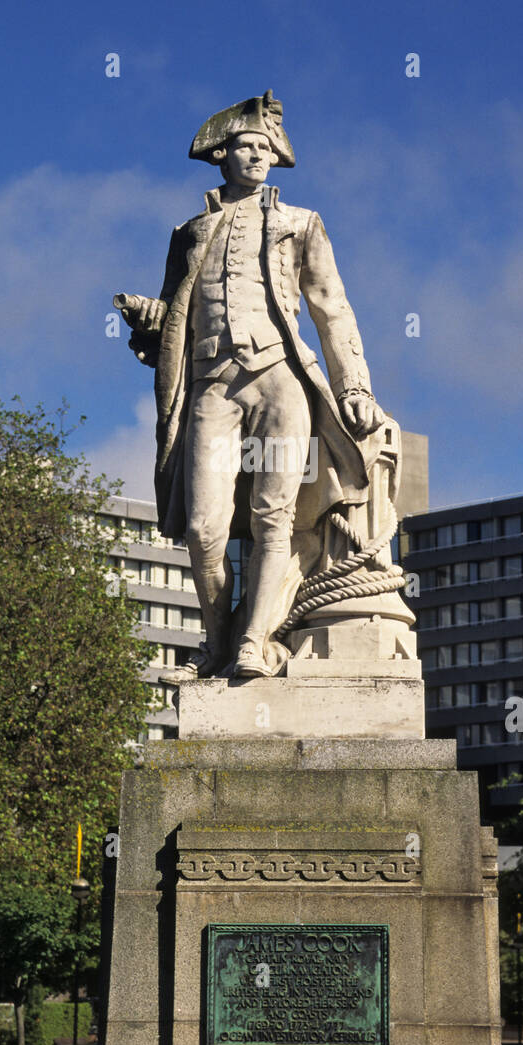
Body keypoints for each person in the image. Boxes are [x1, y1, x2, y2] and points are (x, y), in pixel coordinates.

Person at [115, 91, 386, 677]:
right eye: (247, 146)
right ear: (223, 155)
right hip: (212, 384)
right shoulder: (189, 232)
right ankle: (216, 641)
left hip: (279, 379)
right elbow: (175, 320)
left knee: (274, 516)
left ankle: (254, 641)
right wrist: (148, 319)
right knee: (203, 528)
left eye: (267, 148)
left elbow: (332, 308)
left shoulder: (299, 223)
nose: (258, 156)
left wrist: (355, 389)